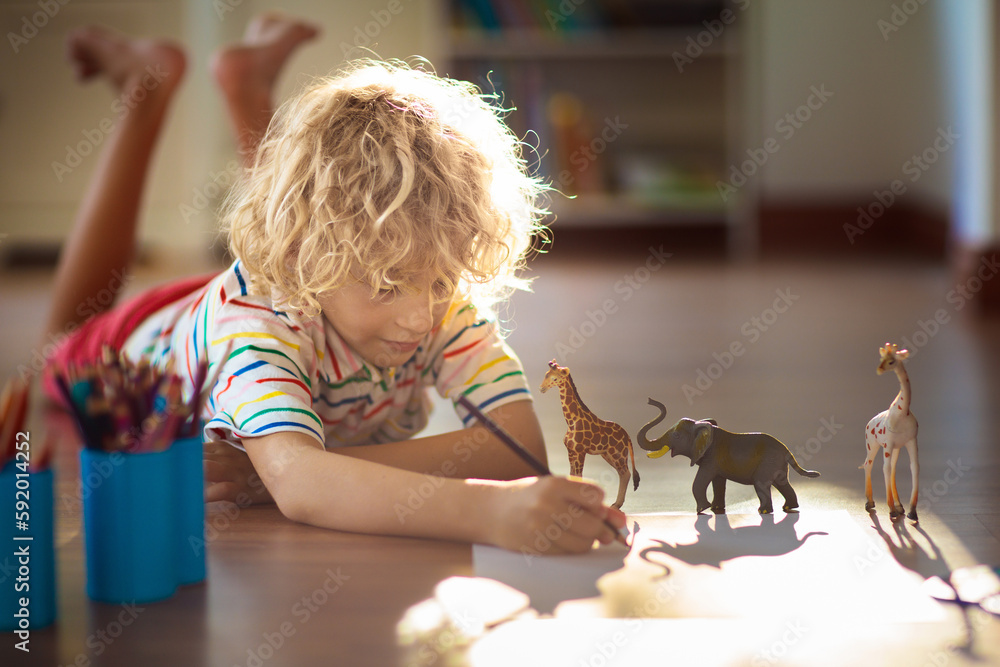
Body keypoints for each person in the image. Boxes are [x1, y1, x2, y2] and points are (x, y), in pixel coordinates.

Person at [40, 14, 626, 554]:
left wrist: (285, 468)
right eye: (388, 283)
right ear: (302, 263)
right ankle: (145, 87)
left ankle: (245, 86)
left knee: (316, 214)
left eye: (442, 280)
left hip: (286, 294)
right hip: (143, 344)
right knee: (57, 346)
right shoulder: (254, 326)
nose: (422, 319)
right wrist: (490, 514)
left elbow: (518, 448)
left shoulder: (428, 288)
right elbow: (304, 488)